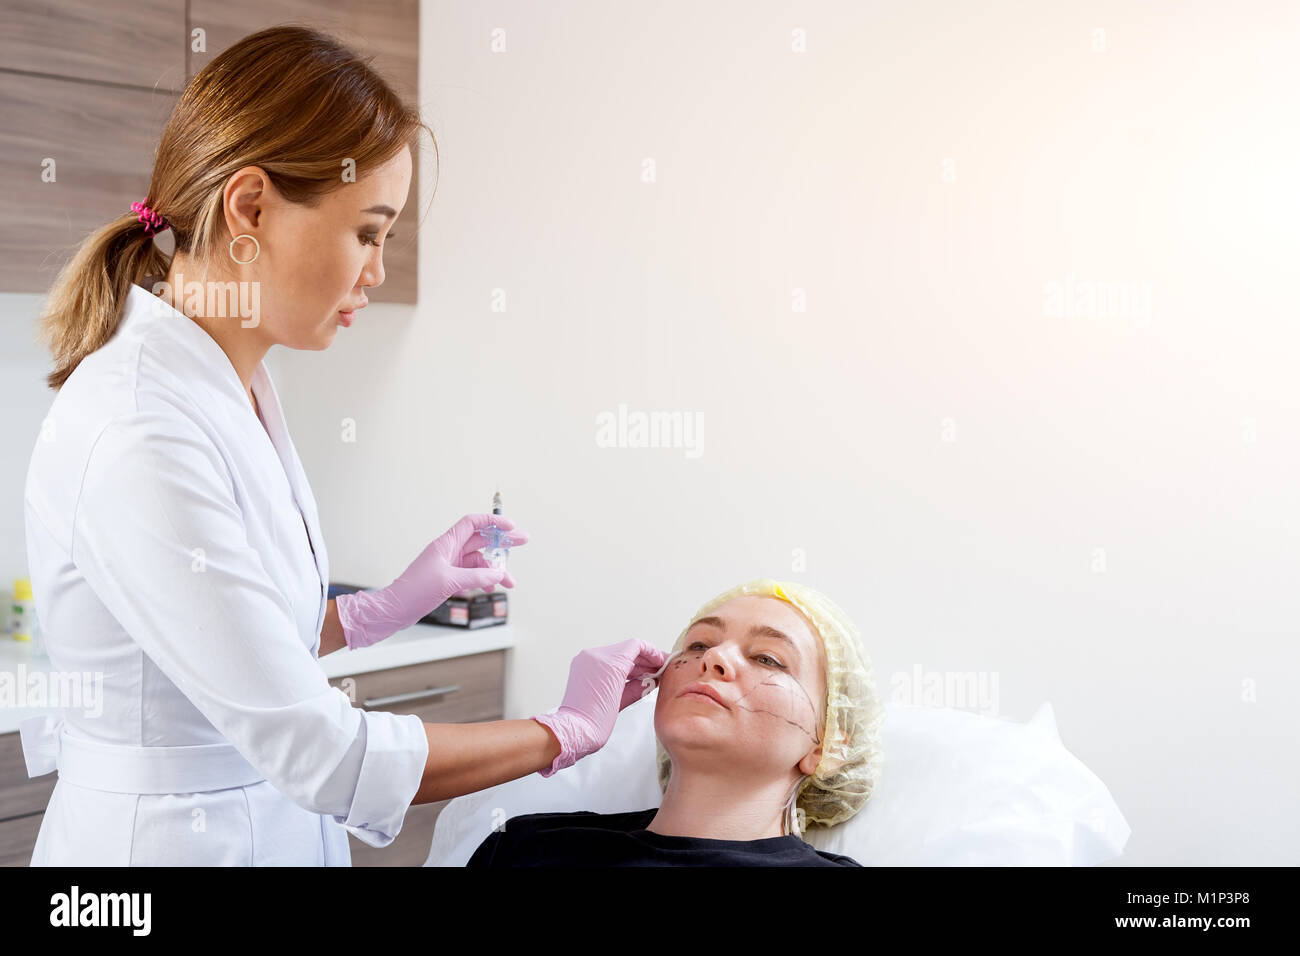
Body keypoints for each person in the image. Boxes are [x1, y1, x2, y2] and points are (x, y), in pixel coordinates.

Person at [20, 24, 666, 866]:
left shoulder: (233, 382)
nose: (377, 271)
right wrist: (564, 732)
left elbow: (239, 649)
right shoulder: (140, 425)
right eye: (368, 232)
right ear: (249, 207)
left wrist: (382, 608)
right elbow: (323, 753)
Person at [465, 579, 885, 867]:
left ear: (825, 749)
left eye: (767, 658)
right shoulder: (528, 845)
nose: (713, 657)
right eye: (698, 643)